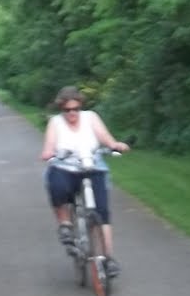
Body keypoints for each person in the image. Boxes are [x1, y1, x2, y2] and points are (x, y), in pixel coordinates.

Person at [40, 86, 130, 275]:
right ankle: (65, 225)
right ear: (61, 109)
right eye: (67, 110)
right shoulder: (56, 123)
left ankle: (108, 258)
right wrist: (49, 153)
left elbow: (105, 138)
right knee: (57, 184)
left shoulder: (91, 117)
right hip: (66, 167)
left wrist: (115, 145)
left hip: (92, 167)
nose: (72, 113)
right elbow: (48, 147)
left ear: (80, 107)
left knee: (103, 212)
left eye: (75, 109)